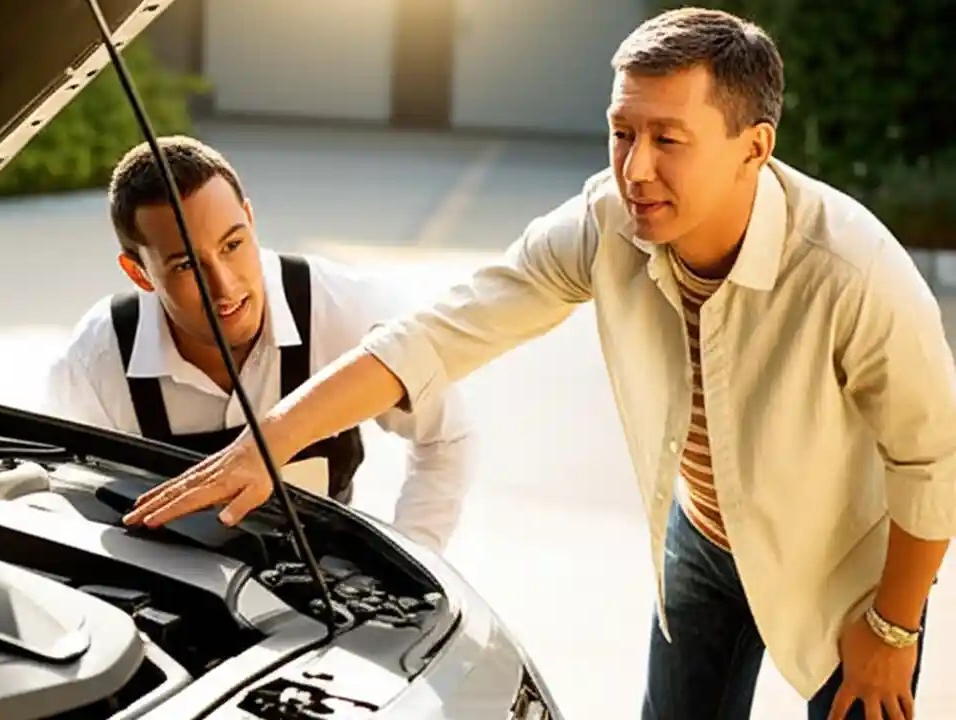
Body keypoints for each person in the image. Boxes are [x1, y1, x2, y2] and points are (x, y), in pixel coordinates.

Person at [122, 8, 955, 720]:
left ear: (753, 147)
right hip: (700, 535)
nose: (634, 168)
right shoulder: (606, 220)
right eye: (621, 131)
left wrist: (893, 628)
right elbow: (444, 329)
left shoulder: (850, 270)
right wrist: (269, 441)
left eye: (669, 139)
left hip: (848, 565)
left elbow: (933, 461)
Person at [42, 135, 473, 553]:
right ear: (138, 274)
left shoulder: (347, 310)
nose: (224, 286)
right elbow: (74, 502)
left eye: (233, 244)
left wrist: (413, 561)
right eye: (187, 264)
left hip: (328, 589)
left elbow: (445, 437)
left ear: (250, 219)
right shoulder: (93, 364)